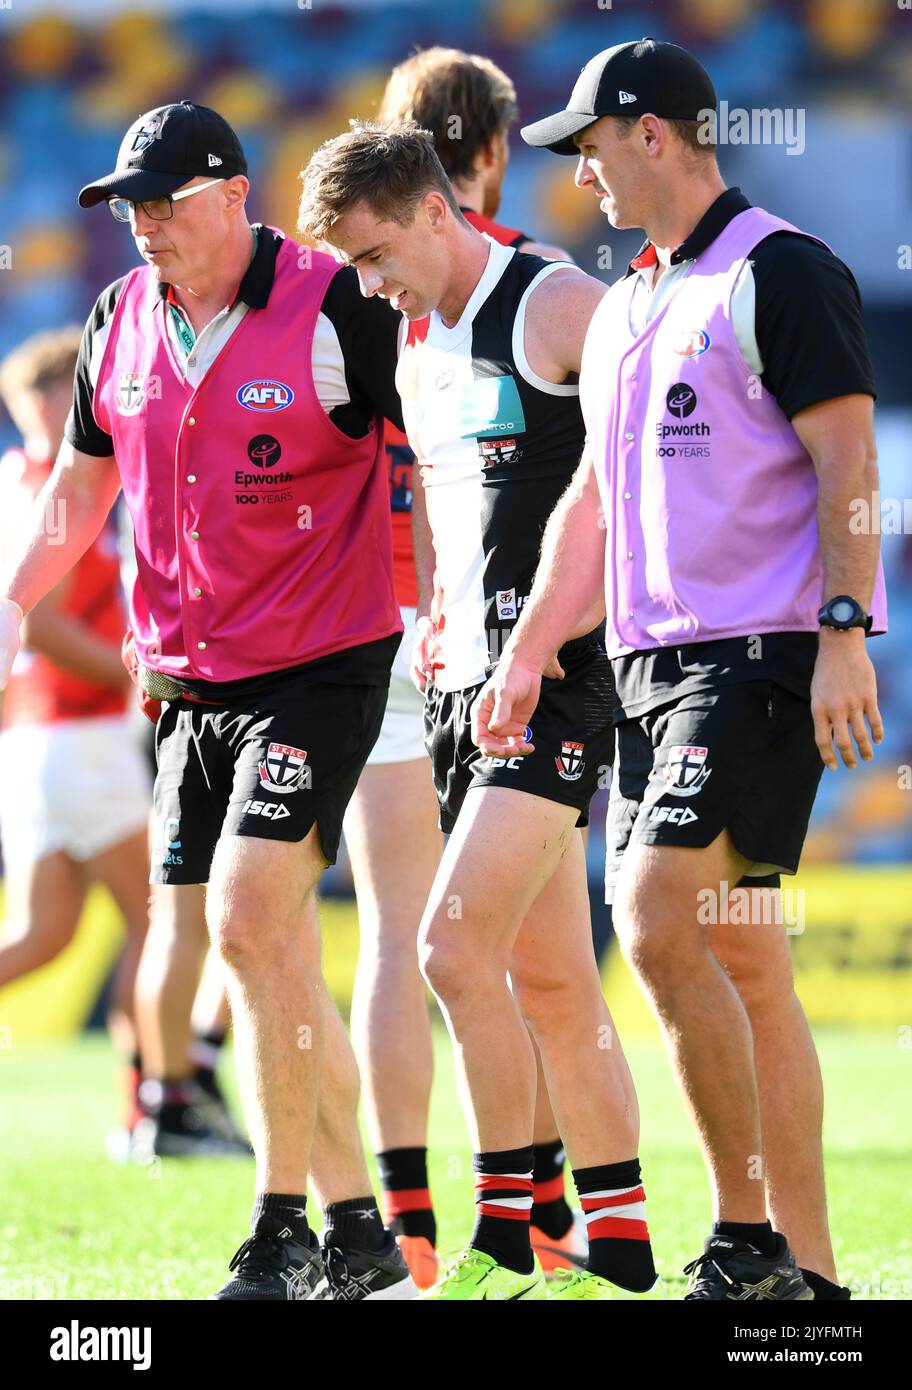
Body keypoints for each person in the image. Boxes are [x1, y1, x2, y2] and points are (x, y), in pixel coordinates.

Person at [474, 37, 886, 1301]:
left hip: (754, 662)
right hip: (650, 676)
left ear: (653, 133)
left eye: (591, 143)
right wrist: (536, 644)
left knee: (649, 919)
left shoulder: (783, 272)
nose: (581, 172)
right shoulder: (628, 303)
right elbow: (589, 504)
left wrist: (840, 630)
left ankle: (746, 1236)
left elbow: (852, 471)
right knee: (747, 956)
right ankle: (809, 1278)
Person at [0, 101, 416, 1301]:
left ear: (234, 192)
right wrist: (16, 602)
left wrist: (452, 609)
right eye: (126, 206)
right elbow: (78, 493)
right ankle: (364, 1238)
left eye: (164, 201)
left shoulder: (337, 299)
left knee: (241, 922)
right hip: (183, 682)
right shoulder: (116, 319)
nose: (142, 226)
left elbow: (427, 446)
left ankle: (278, 1229)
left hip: (320, 664)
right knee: (261, 949)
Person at [298, 121, 655, 1302]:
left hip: (555, 680)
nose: (368, 280)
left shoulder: (554, 303)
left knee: (450, 945)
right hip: (461, 688)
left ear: (437, 211)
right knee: (553, 981)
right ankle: (620, 1250)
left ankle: (506, 1237)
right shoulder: (411, 344)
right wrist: (446, 630)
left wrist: (541, 638)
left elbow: (638, 470)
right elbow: (445, 503)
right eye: (350, 263)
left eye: (376, 251)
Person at [342, 47, 584, 1291]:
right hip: (478, 628)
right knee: (533, 954)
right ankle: (547, 1212)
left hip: (376, 622)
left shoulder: (356, 287)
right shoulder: (491, 277)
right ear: (482, 155)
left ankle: (414, 1226)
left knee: (410, 937)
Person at [0, 328, 150, 1139]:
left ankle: (154, 1107)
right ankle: (153, 1107)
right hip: (78, 734)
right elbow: (47, 625)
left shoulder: (12, 484)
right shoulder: (50, 496)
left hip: (32, 739)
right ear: (63, 397)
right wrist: (142, 677)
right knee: (159, 923)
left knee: (43, 935)